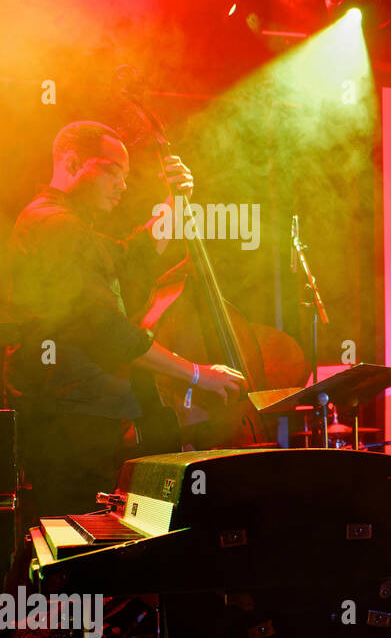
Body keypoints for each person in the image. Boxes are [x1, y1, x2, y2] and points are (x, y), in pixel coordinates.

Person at [2, 121, 245, 534]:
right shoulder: (53, 226)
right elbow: (108, 331)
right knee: (81, 560)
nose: (123, 186)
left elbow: (133, 258)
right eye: (112, 170)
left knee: (98, 555)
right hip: (71, 428)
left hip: (84, 421)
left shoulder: (72, 229)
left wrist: (173, 202)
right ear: (73, 162)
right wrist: (198, 375)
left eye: (127, 176)